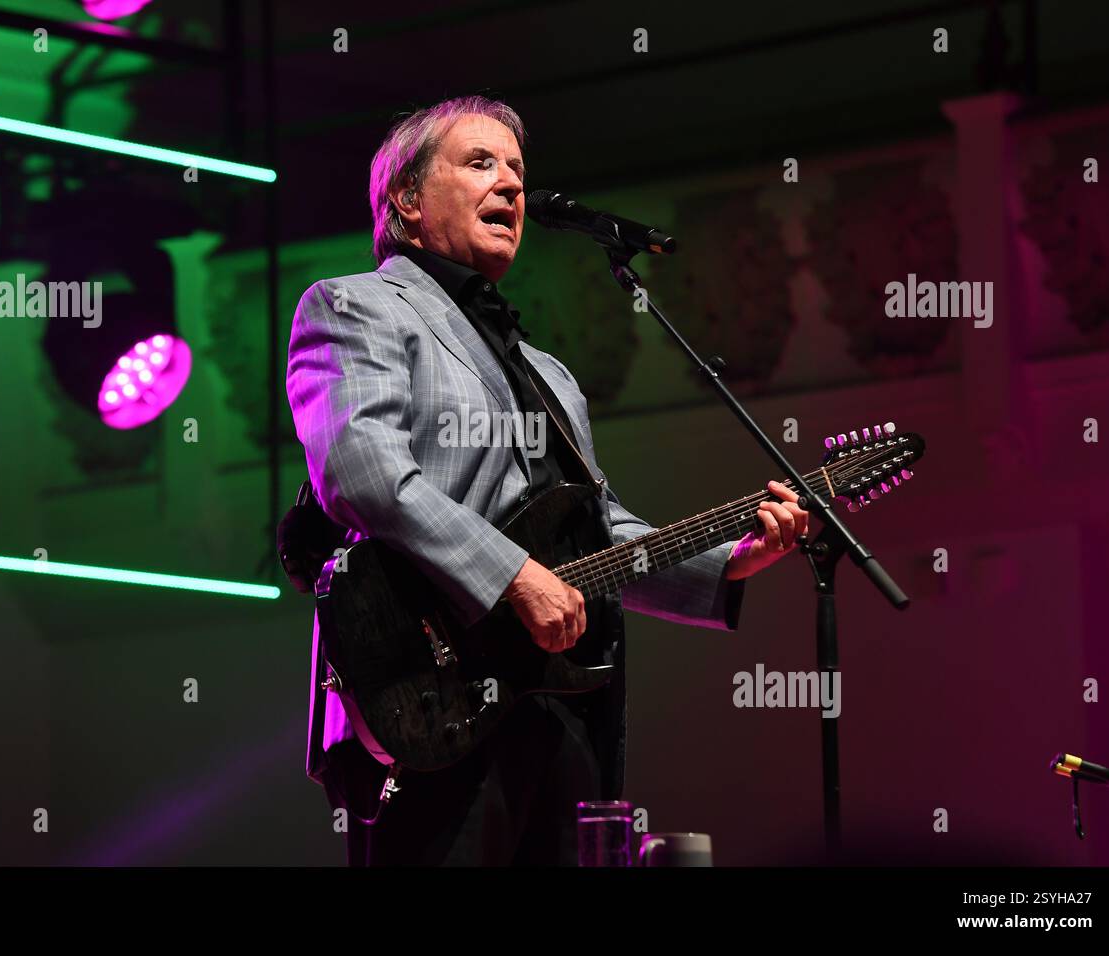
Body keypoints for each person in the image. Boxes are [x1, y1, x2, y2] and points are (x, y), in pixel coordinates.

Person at [286, 95, 808, 865]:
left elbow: (596, 530)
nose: (510, 186)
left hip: (554, 695)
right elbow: (361, 472)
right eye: (480, 163)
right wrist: (511, 577)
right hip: (425, 692)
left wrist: (726, 562)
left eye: (518, 172)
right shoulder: (355, 307)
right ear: (406, 199)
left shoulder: (551, 375)